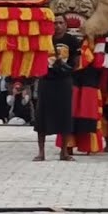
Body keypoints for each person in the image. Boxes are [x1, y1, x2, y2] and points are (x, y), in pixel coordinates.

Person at [34, 15, 78, 162]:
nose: (57, 26)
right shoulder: (44, 38)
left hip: (64, 81)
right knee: (42, 115)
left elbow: (76, 61)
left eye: (61, 23)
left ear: (66, 25)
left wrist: (68, 69)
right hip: (46, 80)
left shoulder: (72, 40)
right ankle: (41, 152)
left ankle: (64, 152)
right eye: (55, 23)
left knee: (65, 115)